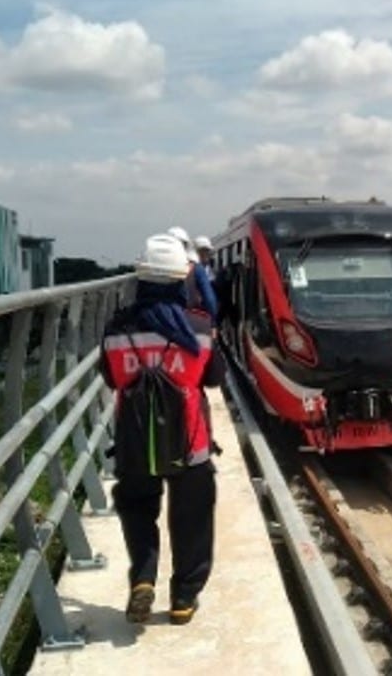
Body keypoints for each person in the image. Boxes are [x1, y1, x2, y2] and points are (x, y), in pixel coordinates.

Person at [99, 233, 223, 625]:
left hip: (134, 442)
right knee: (193, 517)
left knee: (136, 508)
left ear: (141, 280)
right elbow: (215, 378)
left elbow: (111, 380)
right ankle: (184, 598)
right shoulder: (199, 329)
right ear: (179, 280)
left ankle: (142, 579)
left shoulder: (117, 329)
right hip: (191, 443)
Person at [167, 226, 218, 321]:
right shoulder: (195, 268)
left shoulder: (154, 268)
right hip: (189, 319)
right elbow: (210, 300)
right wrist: (213, 322)